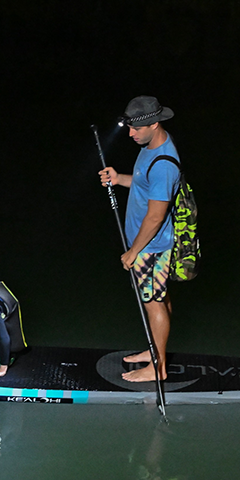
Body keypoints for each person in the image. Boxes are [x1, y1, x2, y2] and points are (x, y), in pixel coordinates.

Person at [97, 96, 181, 383]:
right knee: (158, 298)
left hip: (152, 248)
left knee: (153, 302)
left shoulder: (164, 164)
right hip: (146, 245)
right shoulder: (150, 147)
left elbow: (156, 216)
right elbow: (144, 183)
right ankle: (154, 351)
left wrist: (134, 251)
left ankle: (158, 368)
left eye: (137, 129)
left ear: (154, 123)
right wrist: (120, 178)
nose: (131, 134)